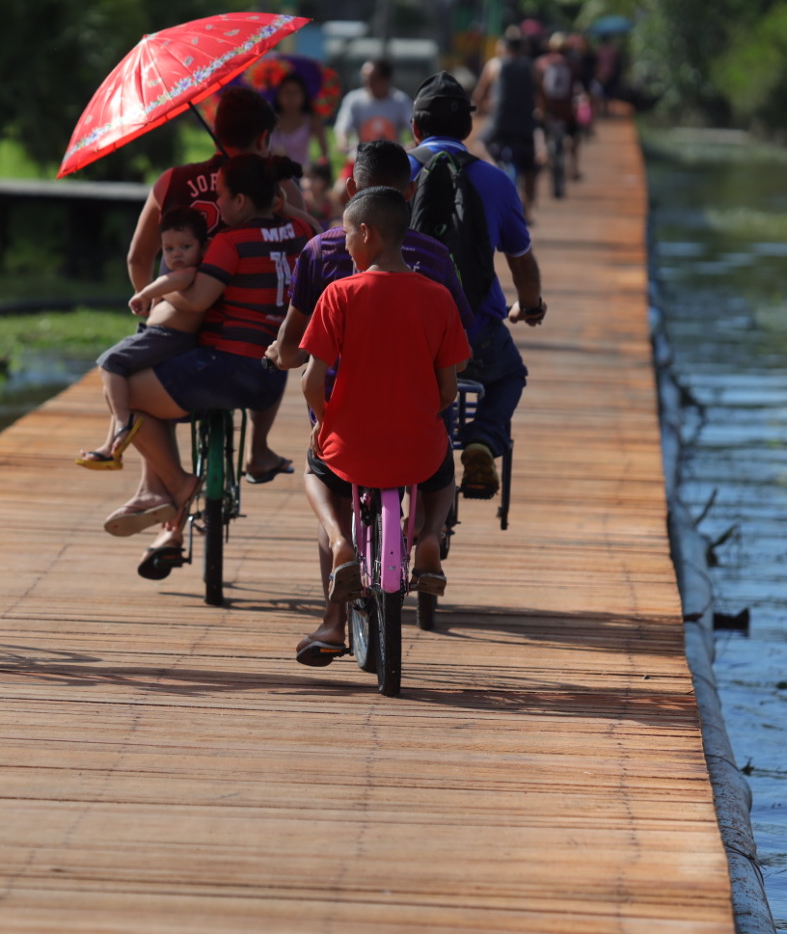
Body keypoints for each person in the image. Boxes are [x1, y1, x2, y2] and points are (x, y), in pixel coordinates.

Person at [265, 139, 473, 665]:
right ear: (409, 195)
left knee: (318, 475)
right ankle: (429, 534)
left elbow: (310, 379)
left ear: (363, 227)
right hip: (417, 443)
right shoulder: (437, 282)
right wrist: (428, 408)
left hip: (349, 440)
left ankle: (338, 576)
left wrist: (324, 420)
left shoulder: (334, 284)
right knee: (442, 468)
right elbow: (451, 385)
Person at [108, 154, 311, 576]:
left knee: (124, 394)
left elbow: (199, 298)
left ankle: (176, 484)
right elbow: (314, 226)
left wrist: (156, 293)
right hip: (270, 380)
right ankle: (188, 493)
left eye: (221, 196)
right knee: (148, 387)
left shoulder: (230, 242)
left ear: (239, 200)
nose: (216, 205)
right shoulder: (299, 230)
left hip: (221, 368)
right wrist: (287, 207)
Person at [126, 86, 315, 483]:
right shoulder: (276, 186)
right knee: (277, 321)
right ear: (263, 138)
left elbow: (138, 258)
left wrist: (152, 304)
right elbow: (306, 245)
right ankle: (258, 448)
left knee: (132, 385)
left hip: (182, 323)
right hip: (256, 339)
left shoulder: (172, 181)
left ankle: (161, 493)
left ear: (216, 130)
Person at [407, 71, 546, 500]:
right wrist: (530, 305)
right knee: (510, 375)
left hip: (399, 333)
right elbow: (521, 262)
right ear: (468, 127)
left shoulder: (392, 172)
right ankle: (482, 438)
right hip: (473, 337)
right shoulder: (496, 180)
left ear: (415, 127)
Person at [76, 207, 209, 470]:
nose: (177, 254)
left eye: (185, 246)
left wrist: (144, 293)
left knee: (110, 362)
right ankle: (111, 446)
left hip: (169, 338)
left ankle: (123, 422)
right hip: (159, 336)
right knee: (120, 381)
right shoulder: (173, 277)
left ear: (202, 248)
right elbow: (168, 282)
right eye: (169, 249)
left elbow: (175, 280)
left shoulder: (192, 273)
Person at [474, 26, 540, 216]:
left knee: (479, 145)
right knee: (530, 163)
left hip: (499, 124)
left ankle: (496, 171)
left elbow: (479, 94)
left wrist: (481, 108)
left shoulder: (494, 65)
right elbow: (542, 94)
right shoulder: (531, 67)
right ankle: (528, 203)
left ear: (504, 47)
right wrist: (542, 111)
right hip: (525, 124)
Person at [333, 58, 412, 157]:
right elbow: (343, 126)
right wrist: (343, 142)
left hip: (392, 159)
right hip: (361, 159)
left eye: (372, 78)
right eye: (364, 77)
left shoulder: (401, 100)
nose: (366, 81)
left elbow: (413, 127)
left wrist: (412, 144)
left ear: (385, 79)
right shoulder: (353, 99)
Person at [534, 32, 580, 195]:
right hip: (566, 113)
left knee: (539, 134)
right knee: (574, 137)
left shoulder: (541, 63)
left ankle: (541, 154)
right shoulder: (572, 65)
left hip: (546, 112)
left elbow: (537, 89)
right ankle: (574, 166)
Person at [269, 72, 330, 168]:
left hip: (304, 173)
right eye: (287, 92)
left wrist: (318, 167)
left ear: (303, 95)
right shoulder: (270, 120)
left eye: (295, 93)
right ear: (278, 95)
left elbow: (324, 150)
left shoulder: (312, 119)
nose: (291, 98)